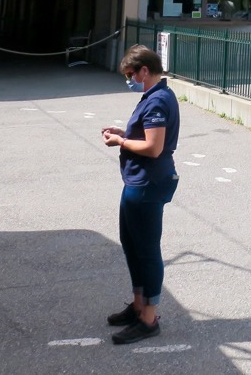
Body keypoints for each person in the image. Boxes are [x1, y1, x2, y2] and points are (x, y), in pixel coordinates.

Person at [101, 44, 180, 344]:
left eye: (131, 74)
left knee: (146, 251)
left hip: (147, 183)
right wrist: (124, 133)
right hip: (137, 181)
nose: (129, 80)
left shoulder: (158, 100)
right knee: (131, 244)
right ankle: (137, 306)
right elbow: (145, 136)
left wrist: (120, 142)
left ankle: (149, 318)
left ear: (145, 71)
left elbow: (153, 147)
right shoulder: (154, 96)